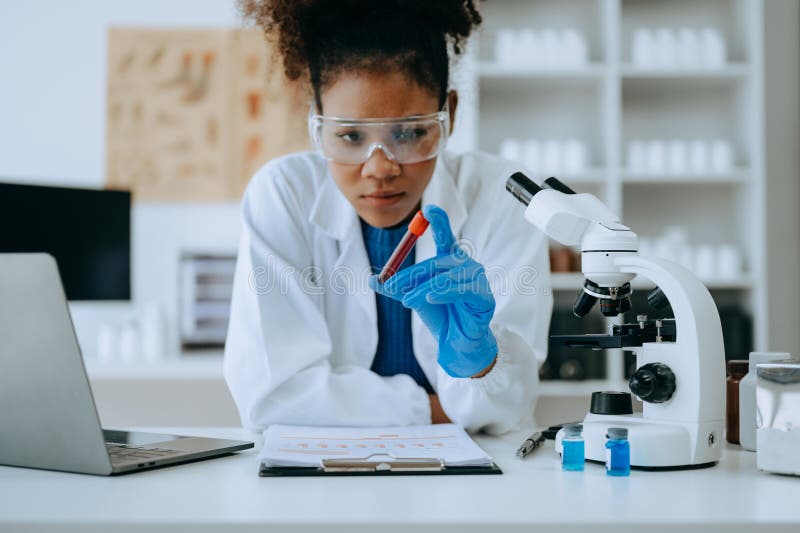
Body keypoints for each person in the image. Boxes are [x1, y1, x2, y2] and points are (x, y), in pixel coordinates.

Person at [224, 0, 552, 434]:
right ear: (316, 126)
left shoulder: (501, 195)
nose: (380, 168)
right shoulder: (283, 194)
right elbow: (272, 400)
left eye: (411, 133)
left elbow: (509, 410)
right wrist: (440, 411)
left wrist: (481, 361)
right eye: (350, 136)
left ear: (448, 115)